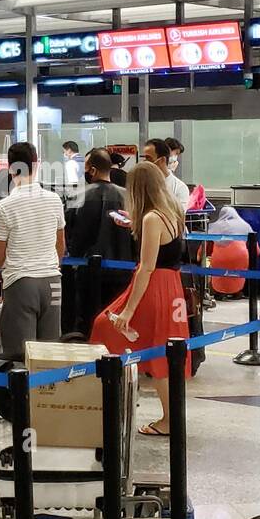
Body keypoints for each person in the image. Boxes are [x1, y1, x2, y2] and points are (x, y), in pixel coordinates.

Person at [89, 161, 191, 436]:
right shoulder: (172, 211)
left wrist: (128, 310)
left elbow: (146, 267)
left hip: (153, 286)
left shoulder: (151, 219)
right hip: (171, 287)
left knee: (108, 330)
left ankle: (120, 402)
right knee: (163, 352)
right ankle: (169, 416)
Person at [0, 142, 65, 360]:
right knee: (49, 354)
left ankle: (22, 395)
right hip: (52, 280)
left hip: (21, 281)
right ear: (37, 164)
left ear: (10, 168)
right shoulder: (54, 200)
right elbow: (60, 244)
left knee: (20, 354)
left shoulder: (4, 206)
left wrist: (1, 269)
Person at [65, 148, 133, 334]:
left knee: (88, 323)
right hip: (124, 271)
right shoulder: (129, 197)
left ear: (92, 170)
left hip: (87, 272)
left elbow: (69, 236)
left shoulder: (76, 197)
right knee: (117, 324)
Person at [142, 137, 190, 211]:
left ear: (162, 160)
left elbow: (179, 214)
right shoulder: (141, 182)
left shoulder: (180, 188)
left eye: (148, 158)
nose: (145, 162)